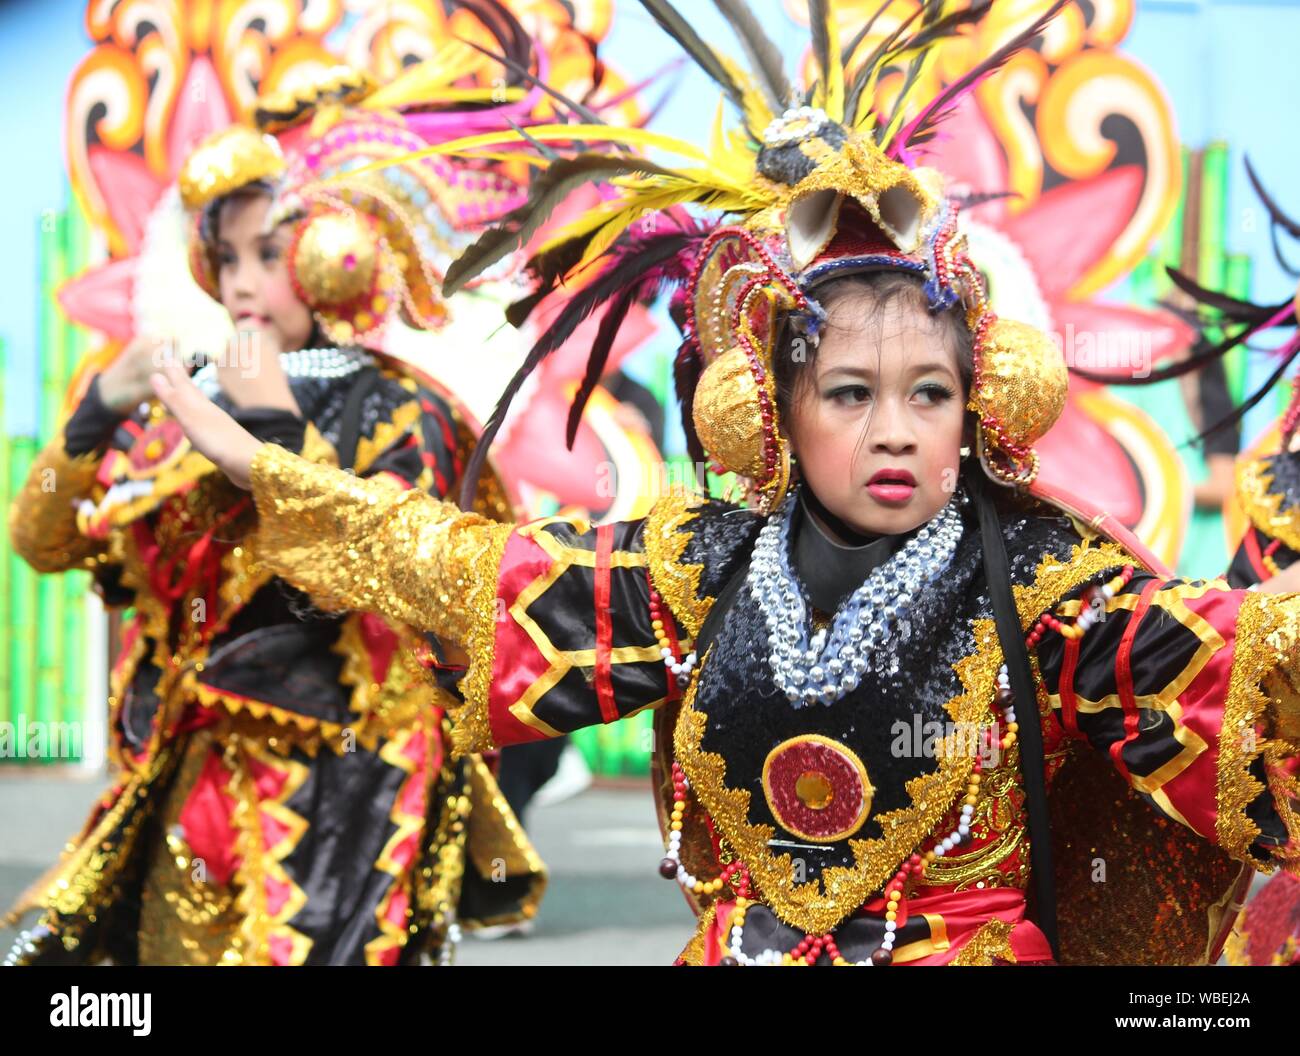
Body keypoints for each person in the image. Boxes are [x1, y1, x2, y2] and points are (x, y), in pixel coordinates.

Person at [147, 0, 1298, 965]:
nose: (892, 431)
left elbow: (1251, 673)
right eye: (849, 394)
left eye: (928, 393)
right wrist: (256, 460)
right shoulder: (700, 568)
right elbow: (457, 566)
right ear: (778, 411)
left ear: (983, 396)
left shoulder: (1049, 583)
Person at [4, 44, 549, 966]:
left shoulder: (405, 410)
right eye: (226, 256)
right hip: (201, 785)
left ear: (334, 252)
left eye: (268, 251)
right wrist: (94, 416)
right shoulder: (183, 407)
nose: (244, 281)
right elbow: (43, 537)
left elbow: (404, 580)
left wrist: (272, 436)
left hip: (361, 789)